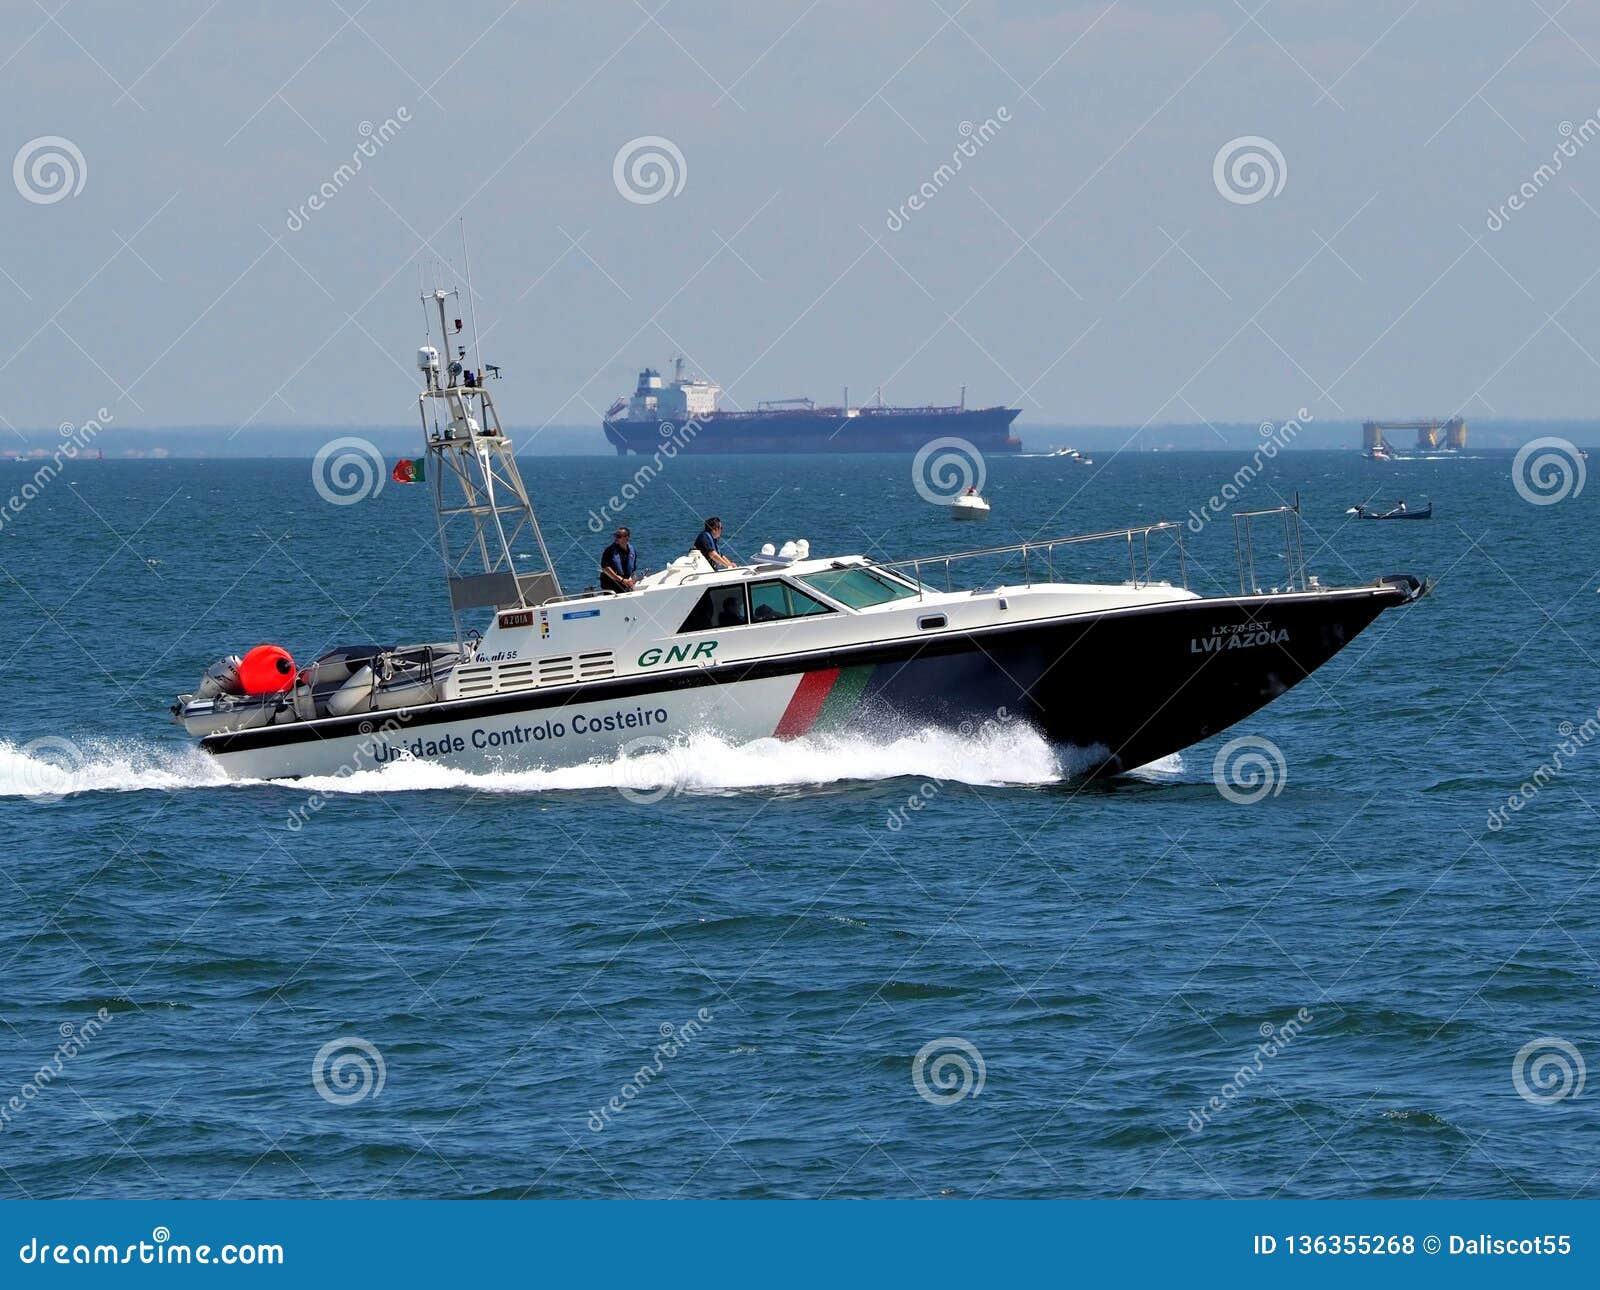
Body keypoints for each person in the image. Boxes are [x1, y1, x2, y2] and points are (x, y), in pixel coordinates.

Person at [600, 527, 638, 592]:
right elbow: (605, 568)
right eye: (615, 536)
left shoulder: (632, 551)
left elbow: (633, 570)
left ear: (627, 538)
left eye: (619, 536)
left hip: (625, 584)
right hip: (611, 586)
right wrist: (622, 580)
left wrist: (632, 580)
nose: (616, 538)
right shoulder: (609, 551)